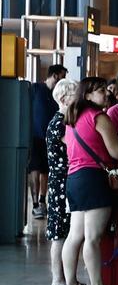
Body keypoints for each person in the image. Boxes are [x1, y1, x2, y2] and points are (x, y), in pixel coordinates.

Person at [61, 77, 118, 285]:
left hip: (74, 178)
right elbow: (116, 152)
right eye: (100, 91)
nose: (105, 94)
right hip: (93, 179)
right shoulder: (99, 118)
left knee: (74, 235)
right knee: (93, 238)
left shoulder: (72, 118)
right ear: (87, 95)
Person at [46, 79, 83, 285]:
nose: (77, 100)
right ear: (63, 99)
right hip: (61, 183)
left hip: (61, 181)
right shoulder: (60, 123)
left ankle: (68, 279)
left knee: (65, 231)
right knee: (60, 233)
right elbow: (72, 149)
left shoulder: (62, 121)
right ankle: (58, 280)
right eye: (74, 96)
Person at [29, 64, 67, 219]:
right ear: (55, 75)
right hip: (35, 137)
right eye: (62, 76)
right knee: (35, 169)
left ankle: (43, 201)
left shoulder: (57, 95)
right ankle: (36, 204)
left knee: (46, 170)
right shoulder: (35, 89)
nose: (63, 80)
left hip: (51, 139)